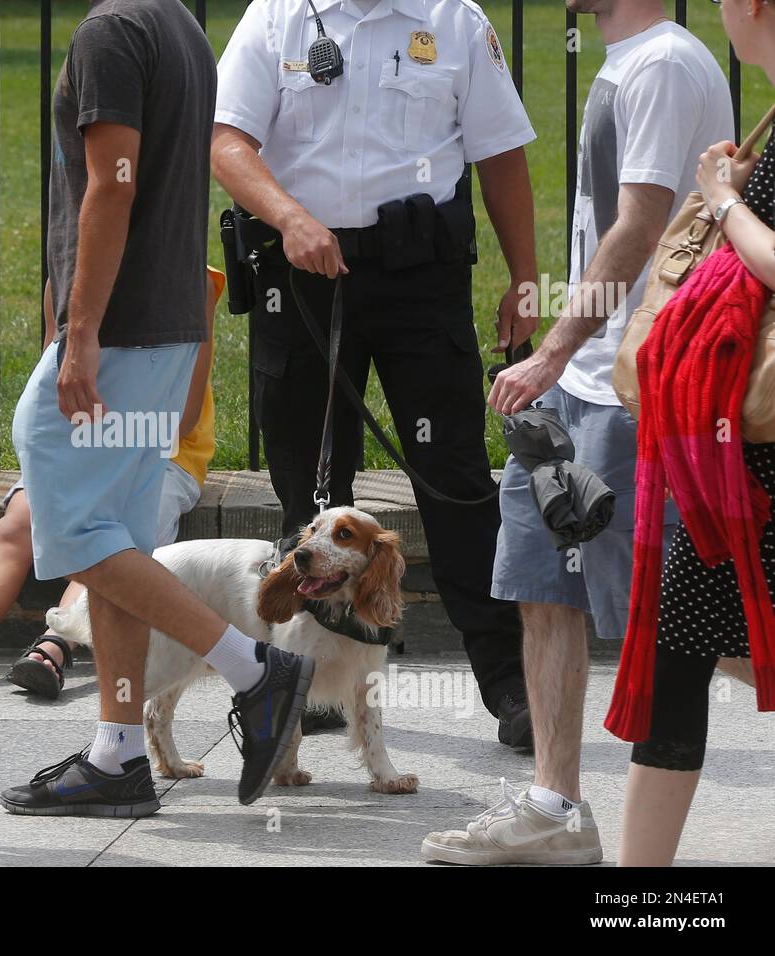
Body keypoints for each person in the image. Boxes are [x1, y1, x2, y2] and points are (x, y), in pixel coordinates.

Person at [422, 0, 732, 865]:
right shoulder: (629, 59)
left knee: (692, 621)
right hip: (583, 386)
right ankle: (556, 809)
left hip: (632, 386)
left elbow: (640, 225)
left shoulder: (663, 64)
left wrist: (552, 351)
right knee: (540, 587)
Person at [0, 0, 314, 819]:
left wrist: (79, 335)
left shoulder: (111, 32)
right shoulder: (178, 25)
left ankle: (256, 669)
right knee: (121, 543)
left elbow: (111, 183)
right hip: (166, 330)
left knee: (78, 533)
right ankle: (117, 754)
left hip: (122, 333)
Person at [211, 0, 535, 746]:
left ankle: (509, 680)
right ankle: (318, 687)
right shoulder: (276, 16)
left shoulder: (452, 18)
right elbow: (228, 142)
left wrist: (524, 274)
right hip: (301, 275)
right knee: (309, 480)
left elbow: (501, 153)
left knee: (454, 477)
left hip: (419, 273)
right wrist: (289, 217)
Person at [0, 268, 223, 701]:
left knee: (108, 535)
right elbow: (52, 385)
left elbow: (180, 419)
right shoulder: (69, 270)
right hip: (81, 437)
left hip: (158, 448)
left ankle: (58, 642)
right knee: (16, 525)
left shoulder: (190, 279)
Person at [613, 0, 775, 867]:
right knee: (687, 649)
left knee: (688, 649)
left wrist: (720, 202)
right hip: (741, 449)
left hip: (758, 452)